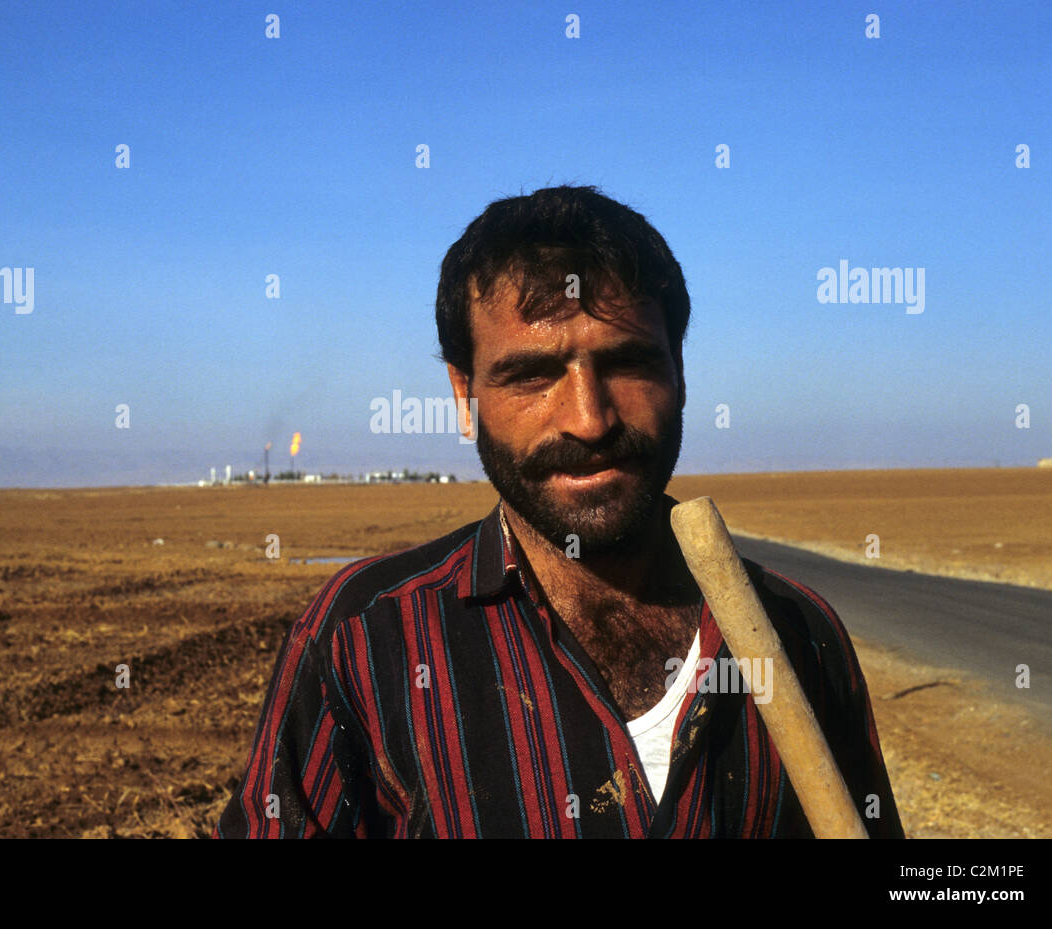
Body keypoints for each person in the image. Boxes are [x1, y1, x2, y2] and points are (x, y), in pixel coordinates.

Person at [215, 185, 903, 838]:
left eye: (629, 363)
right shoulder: (363, 639)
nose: (589, 419)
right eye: (533, 375)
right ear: (464, 394)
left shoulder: (800, 635)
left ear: (679, 374)